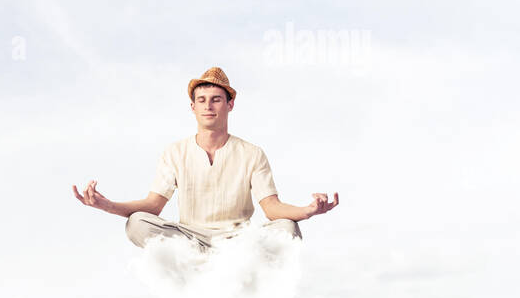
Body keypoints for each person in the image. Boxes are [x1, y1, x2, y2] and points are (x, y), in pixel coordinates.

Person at [72, 67, 338, 250]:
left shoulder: (251, 153)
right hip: (190, 240)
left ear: (230, 105)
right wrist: (106, 205)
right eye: (202, 100)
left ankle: (236, 267)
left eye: (216, 100)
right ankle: (203, 264)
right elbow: (153, 206)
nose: (208, 106)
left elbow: (271, 209)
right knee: (137, 224)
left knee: (288, 230)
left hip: (239, 241)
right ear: (193, 107)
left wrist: (308, 210)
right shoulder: (175, 152)